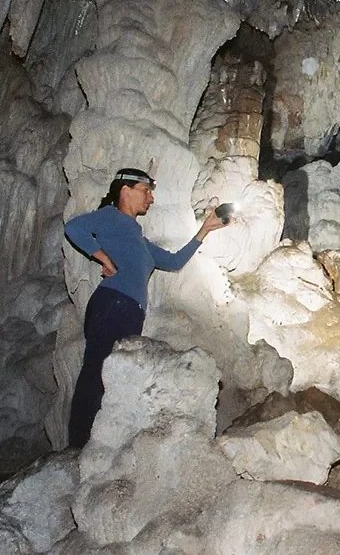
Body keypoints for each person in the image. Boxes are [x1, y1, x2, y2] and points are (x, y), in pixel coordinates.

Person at [63, 167, 227, 447]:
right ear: (125, 190)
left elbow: (174, 262)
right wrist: (103, 258)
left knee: (114, 378)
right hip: (112, 302)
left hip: (130, 311)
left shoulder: (139, 238)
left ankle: (99, 444)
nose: (151, 198)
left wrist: (205, 229)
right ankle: (77, 445)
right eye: (146, 191)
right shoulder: (110, 216)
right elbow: (73, 228)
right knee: (95, 372)